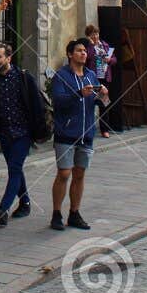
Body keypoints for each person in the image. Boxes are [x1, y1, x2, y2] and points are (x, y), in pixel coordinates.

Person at [0, 42, 49, 226]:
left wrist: (39, 130)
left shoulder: (24, 78)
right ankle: (25, 202)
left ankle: (2, 209)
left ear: (8, 58)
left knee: (14, 169)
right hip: (5, 134)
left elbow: (37, 104)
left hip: (23, 133)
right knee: (15, 169)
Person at [49, 38, 109, 231]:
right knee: (64, 173)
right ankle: (56, 213)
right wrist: (78, 94)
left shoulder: (91, 76)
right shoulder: (61, 76)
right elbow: (58, 101)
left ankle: (74, 212)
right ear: (70, 54)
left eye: (85, 51)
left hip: (86, 131)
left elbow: (100, 103)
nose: (83, 53)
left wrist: (104, 96)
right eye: (79, 50)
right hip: (66, 131)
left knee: (80, 173)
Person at [86, 23, 118, 137]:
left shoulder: (105, 45)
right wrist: (90, 46)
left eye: (96, 33)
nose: (95, 36)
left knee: (104, 104)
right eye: (92, 34)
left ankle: (105, 130)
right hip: (93, 79)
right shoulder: (88, 47)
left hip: (104, 77)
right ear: (88, 36)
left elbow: (115, 59)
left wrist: (109, 59)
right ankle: (88, 128)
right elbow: (88, 57)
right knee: (90, 102)